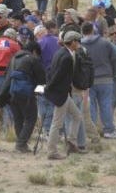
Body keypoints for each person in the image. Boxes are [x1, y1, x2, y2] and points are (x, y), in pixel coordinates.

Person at [43, 31, 84, 159]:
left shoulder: (61, 52)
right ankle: (52, 151)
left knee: (77, 116)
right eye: (78, 41)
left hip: (63, 93)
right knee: (57, 123)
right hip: (60, 93)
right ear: (72, 42)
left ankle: (71, 142)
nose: (79, 44)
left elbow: (50, 71)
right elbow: (57, 75)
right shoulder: (66, 57)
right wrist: (49, 88)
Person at [1, 40, 46, 153]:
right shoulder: (33, 59)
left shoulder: (13, 59)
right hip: (26, 93)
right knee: (31, 118)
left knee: (18, 119)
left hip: (12, 92)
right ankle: (21, 144)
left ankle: (21, 143)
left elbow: (6, 77)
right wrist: (39, 91)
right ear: (35, 51)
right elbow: (42, 79)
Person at [80, 21, 116, 138]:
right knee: (106, 104)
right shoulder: (105, 43)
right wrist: (115, 73)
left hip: (88, 80)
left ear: (82, 32)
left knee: (91, 105)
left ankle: (93, 131)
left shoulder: (80, 45)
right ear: (93, 30)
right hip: (106, 78)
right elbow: (115, 58)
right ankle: (108, 130)